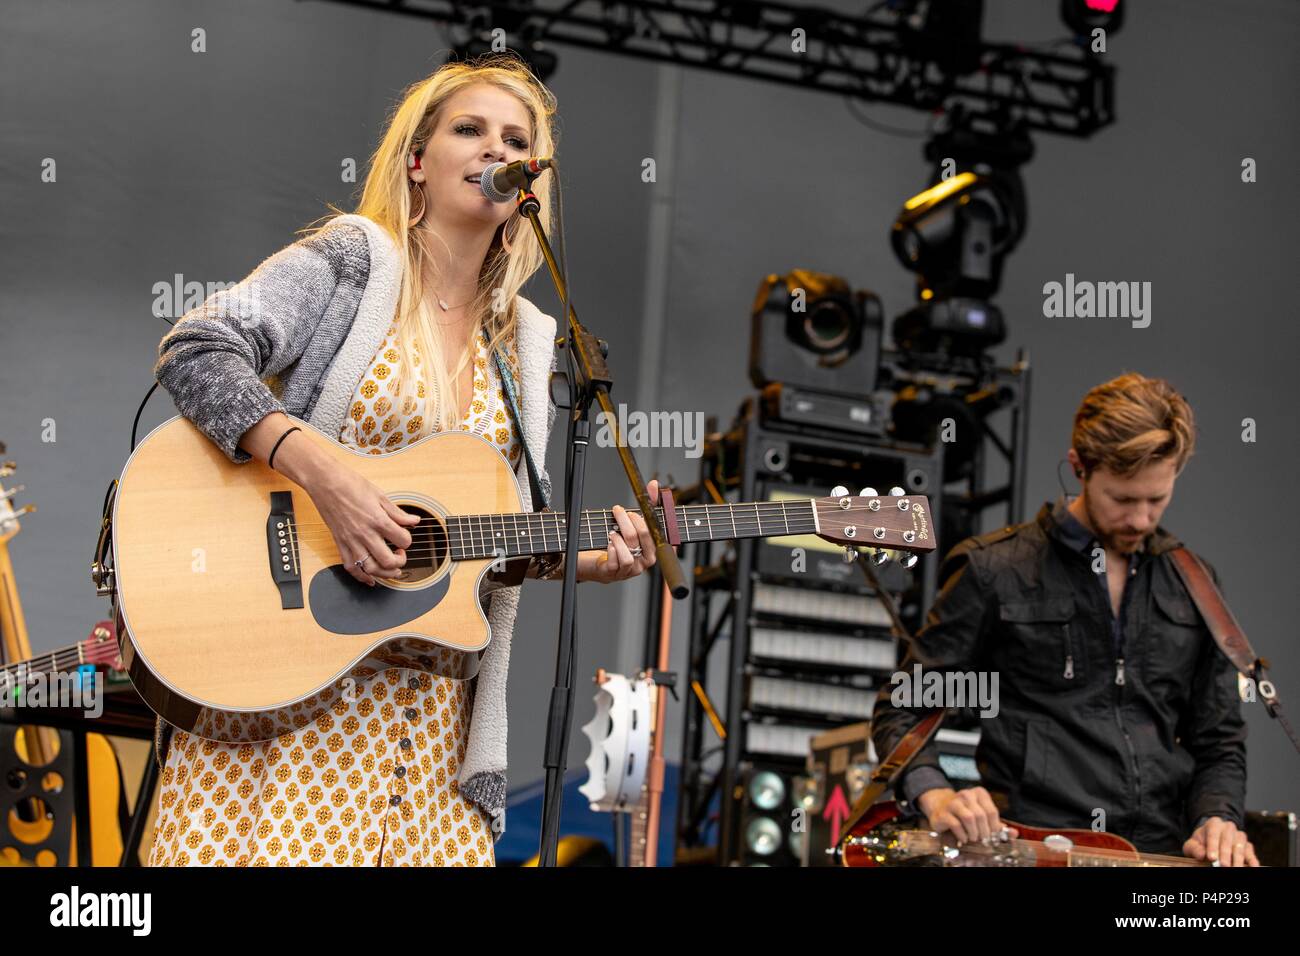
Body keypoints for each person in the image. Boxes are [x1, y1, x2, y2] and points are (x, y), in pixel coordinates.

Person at [146, 54, 659, 866]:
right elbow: (196, 348)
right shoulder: (354, 262)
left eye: (516, 138)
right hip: (291, 708)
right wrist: (330, 478)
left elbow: (477, 542)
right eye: (470, 129)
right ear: (417, 160)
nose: (497, 147)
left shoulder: (528, 341)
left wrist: (588, 562)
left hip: (430, 743)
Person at [871, 373, 1259, 866]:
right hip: (1037, 850)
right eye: (1122, 499)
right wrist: (936, 795)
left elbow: (1219, 739)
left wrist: (1217, 818)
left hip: (1159, 857)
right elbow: (901, 709)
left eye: (1157, 499)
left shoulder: (1196, 584)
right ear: (1079, 467)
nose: (1140, 519)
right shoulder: (995, 570)